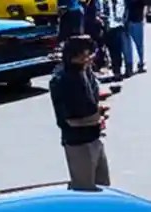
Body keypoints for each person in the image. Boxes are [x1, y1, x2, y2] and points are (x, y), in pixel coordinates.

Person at [50, 35, 111, 190]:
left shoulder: (86, 72)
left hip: (95, 137)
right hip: (78, 142)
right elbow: (70, 119)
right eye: (86, 56)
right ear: (74, 57)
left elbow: (92, 99)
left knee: (104, 187)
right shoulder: (64, 80)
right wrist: (97, 117)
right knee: (85, 189)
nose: (90, 59)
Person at [100, 0, 130, 77]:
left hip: (119, 26)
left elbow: (126, 10)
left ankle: (119, 70)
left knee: (118, 50)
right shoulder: (103, 1)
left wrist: (124, 22)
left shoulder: (121, 1)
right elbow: (99, 12)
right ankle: (114, 70)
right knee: (110, 50)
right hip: (107, 27)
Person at [127, 0, 148, 72]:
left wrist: (144, 17)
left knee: (139, 44)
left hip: (138, 21)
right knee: (128, 45)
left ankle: (141, 62)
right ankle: (129, 65)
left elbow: (145, 5)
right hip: (127, 21)